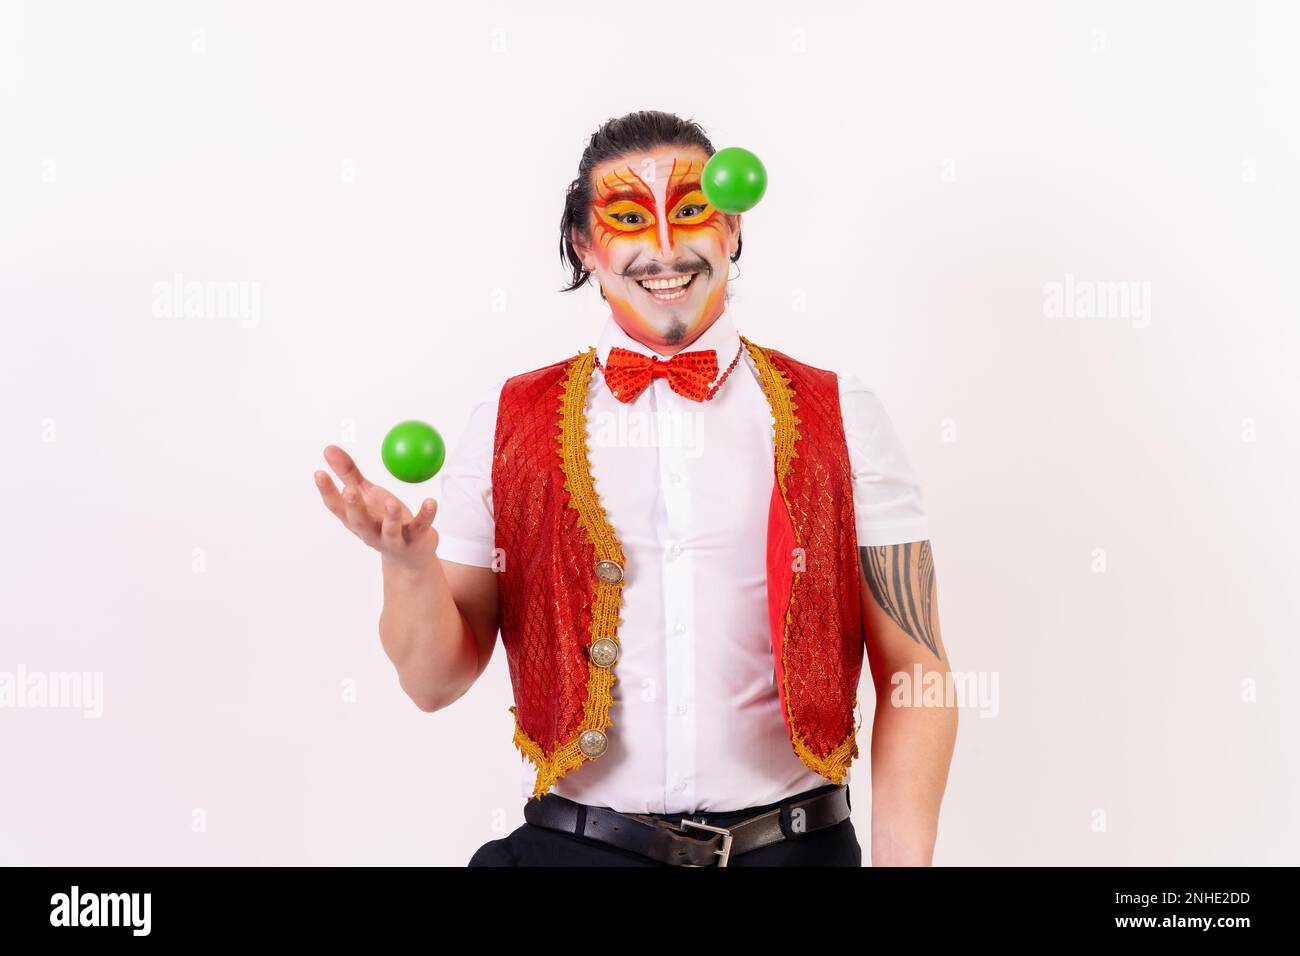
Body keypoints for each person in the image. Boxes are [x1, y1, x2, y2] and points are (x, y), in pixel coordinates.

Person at [314, 110, 957, 866]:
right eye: (626, 219)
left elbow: (917, 675)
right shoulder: (509, 422)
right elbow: (432, 684)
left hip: (795, 851)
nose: (662, 249)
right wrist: (408, 565)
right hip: (576, 851)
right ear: (586, 245)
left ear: (734, 228)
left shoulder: (841, 413)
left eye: (690, 211)